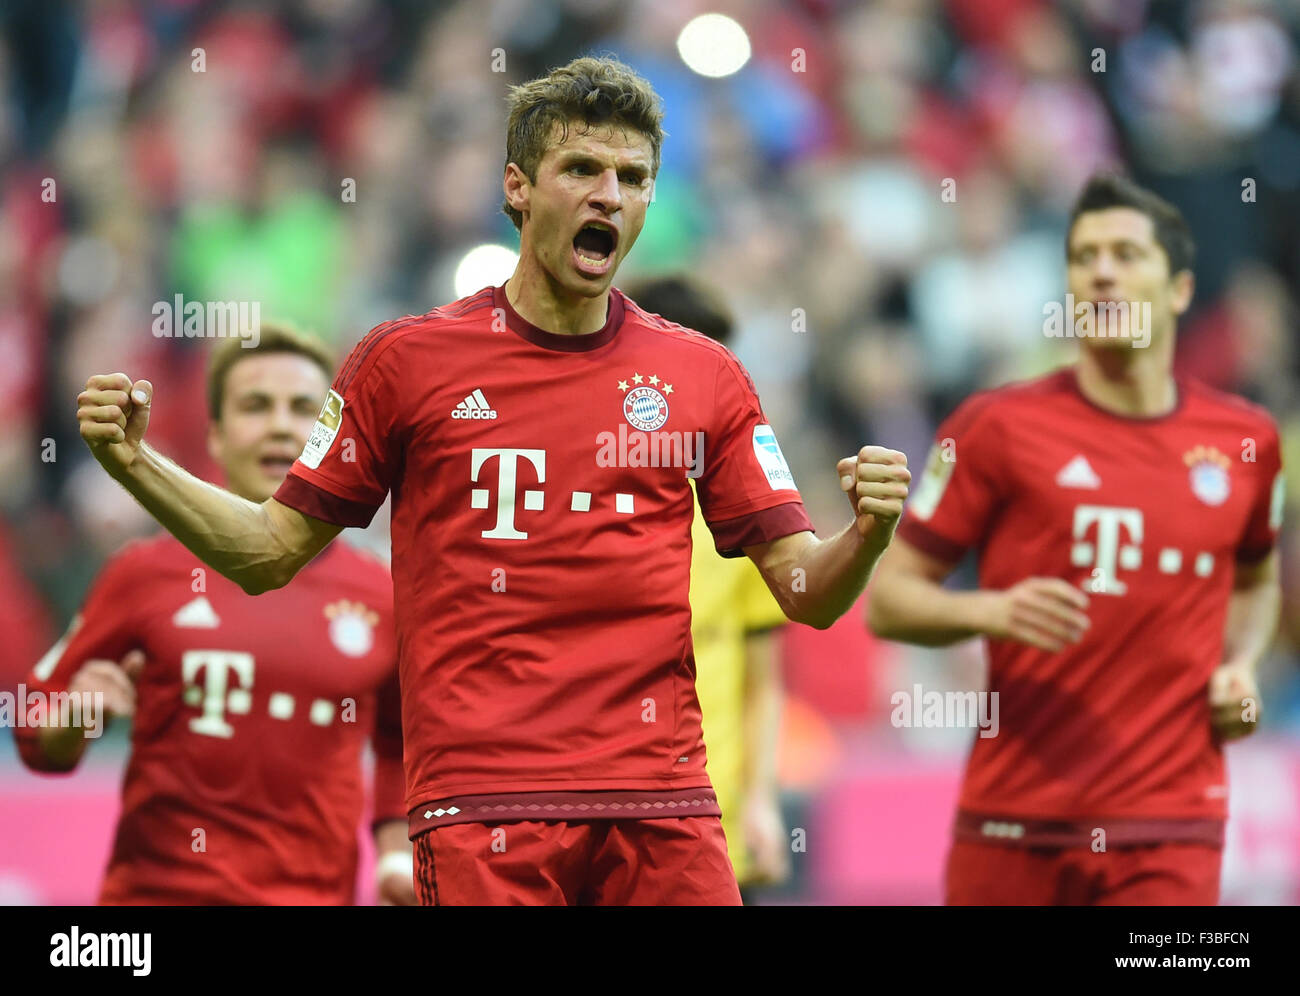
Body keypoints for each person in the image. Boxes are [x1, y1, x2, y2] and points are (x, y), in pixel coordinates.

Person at [74, 57, 910, 906]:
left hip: (662, 804)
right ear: (516, 187)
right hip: (485, 806)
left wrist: (867, 534)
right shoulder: (406, 363)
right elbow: (266, 552)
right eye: (582, 169)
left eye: (632, 177)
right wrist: (135, 462)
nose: (609, 196)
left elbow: (804, 591)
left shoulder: (704, 376)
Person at [868, 173, 1283, 905]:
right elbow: (889, 601)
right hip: (1014, 824)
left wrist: (1242, 665)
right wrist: (990, 612)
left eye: (1126, 253)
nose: (1101, 272)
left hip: (1171, 828)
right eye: (1085, 257)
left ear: (1180, 290)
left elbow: (1256, 579)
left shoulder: (1246, 442)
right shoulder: (994, 427)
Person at [22, 326, 414, 906]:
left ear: (332, 437)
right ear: (217, 436)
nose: (281, 425)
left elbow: (399, 745)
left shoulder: (383, 593)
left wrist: (395, 851)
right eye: (256, 405)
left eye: (304, 408)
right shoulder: (141, 572)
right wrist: (73, 719)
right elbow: (34, 727)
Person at [622, 274, 790, 893]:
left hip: (713, 822)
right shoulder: (591, 501)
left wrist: (764, 801)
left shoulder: (744, 508)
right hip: (607, 815)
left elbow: (763, 680)